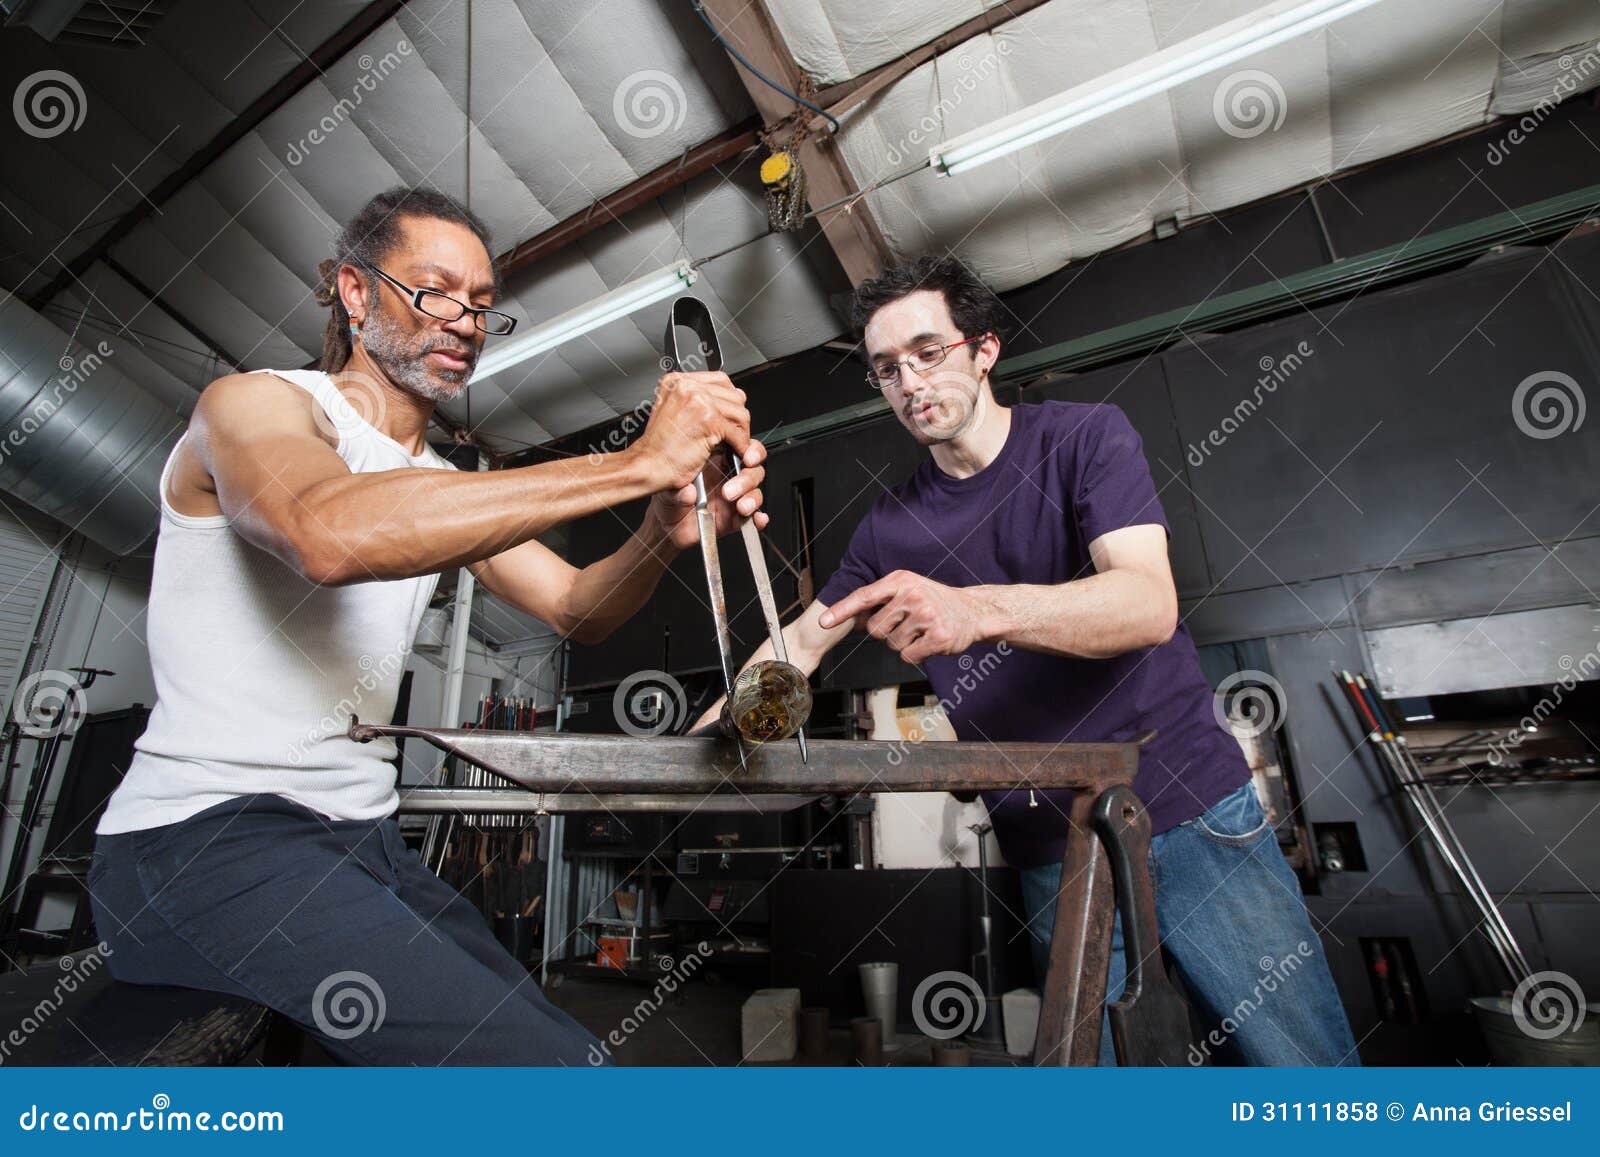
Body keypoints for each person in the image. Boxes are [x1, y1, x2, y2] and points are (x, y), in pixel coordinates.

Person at [88, 186, 769, 1065]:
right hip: (204, 841)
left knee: (567, 1047)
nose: (463, 321)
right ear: (357, 292)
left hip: (361, 839)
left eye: (482, 305)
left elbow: (575, 608)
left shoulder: (438, 479)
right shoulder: (255, 405)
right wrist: (636, 461)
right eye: (435, 290)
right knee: (542, 1080)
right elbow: (325, 531)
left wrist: (661, 531)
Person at [695, 255, 1357, 1066]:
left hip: (1188, 811)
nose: (909, 382)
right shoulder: (888, 527)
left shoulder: (1084, 439)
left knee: (1305, 1070)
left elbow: (1147, 603)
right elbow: (804, 641)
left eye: (928, 351)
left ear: (984, 350)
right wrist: (710, 740)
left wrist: (977, 610)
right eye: (888, 368)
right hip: (1051, 846)